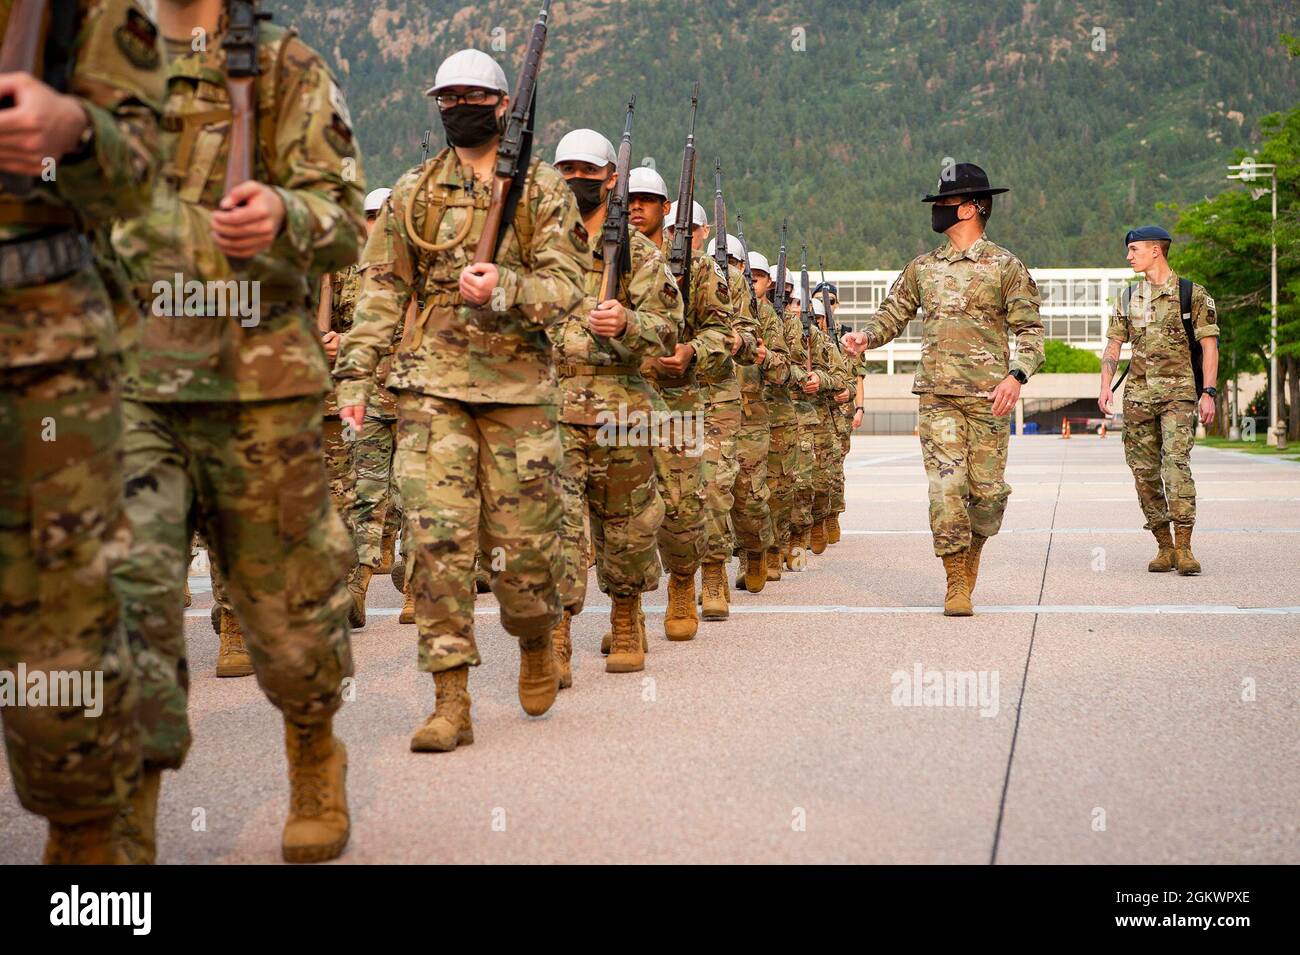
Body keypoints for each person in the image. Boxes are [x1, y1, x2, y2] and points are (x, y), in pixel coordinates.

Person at [111, 0, 365, 862]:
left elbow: (344, 220)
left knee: (290, 620)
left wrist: (286, 219)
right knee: (124, 606)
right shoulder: (99, 65)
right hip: (129, 384)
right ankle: (119, 819)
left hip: (260, 385)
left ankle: (312, 749)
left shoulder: (287, 67)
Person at [333, 49, 589, 749]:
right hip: (432, 387)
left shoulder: (541, 190)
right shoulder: (415, 191)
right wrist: (356, 378)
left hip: (518, 392)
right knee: (436, 542)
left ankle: (535, 635)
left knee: (524, 555)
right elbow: (381, 288)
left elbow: (569, 288)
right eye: (447, 96)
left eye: (474, 95)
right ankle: (451, 699)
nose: (459, 106)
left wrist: (503, 288)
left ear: (504, 106)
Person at [0, 0, 163, 864]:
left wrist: (72, 129)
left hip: (40, 360)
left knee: (55, 643)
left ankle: (89, 846)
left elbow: (145, 167)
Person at [842, 163, 1044, 616]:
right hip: (937, 397)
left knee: (987, 495)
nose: (937, 209)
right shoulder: (923, 268)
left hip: (990, 400)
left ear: (972, 208)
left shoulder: (1005, 267)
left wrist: (1017, 375)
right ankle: (955, 580)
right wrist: (865, 338)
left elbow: (1031, 334)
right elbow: (891, 317)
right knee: (946, 490)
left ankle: (972, 554)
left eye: (945, 202)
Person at [549, 132, 681, 677]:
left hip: (621, 408)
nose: (574, 178)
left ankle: (626, 617)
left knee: (626, 527)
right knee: (555, 526)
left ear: (610, 177)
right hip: (554, 406)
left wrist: (629, 323)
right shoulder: (541, 247)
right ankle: (555, 634)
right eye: (565, 168)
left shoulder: (641, 253)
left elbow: (669, 331)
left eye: (586, 168)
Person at [632, 186, 729, 640]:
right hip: (620, 399)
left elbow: (724, 333)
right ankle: (625, 609)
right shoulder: (601, 258)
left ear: (664, 209)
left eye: (646, 199)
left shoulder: (700, 268)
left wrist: (693, 351)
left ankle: (683, 583)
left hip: (678, 403)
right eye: (627, 197)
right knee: (621, 512)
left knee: (681, 506)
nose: (634, 207)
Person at [1098, 225, 1219, 575]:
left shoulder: (1191, 294)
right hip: (1137, 397)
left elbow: (1209, 346)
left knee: (1175, 465)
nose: (1128, 255)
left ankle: (1184, 546)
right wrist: (1106, 385)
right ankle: (1163, 547)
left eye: (1134, 249)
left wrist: (1208, 392)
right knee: (1144, 473)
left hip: (1179, 395)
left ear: (1156, 251)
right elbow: (1113, 346)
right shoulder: (1127, 297)